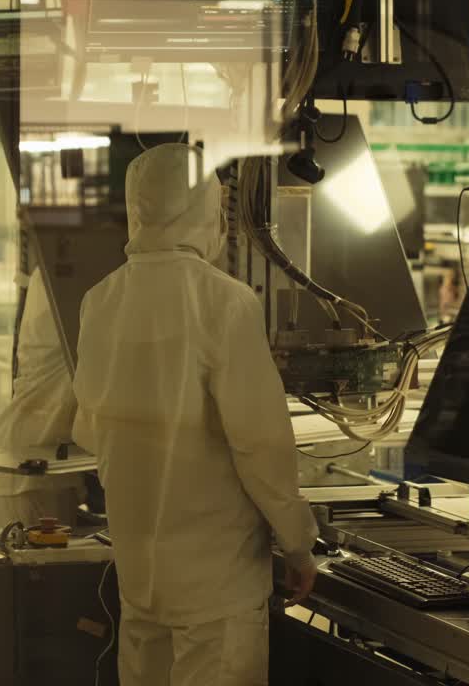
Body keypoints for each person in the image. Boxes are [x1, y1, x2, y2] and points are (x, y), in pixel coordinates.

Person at [72, 143, 319, 686]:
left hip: (141, 576)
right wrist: (297, 541)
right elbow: (260, 445)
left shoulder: (100, 300)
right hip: (217, 581)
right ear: (204, 209)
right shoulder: (225, 302)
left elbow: (90, 428)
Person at [0, 267, 86, 527]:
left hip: (42, 457)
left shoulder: (50, 277)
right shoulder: (59, 281)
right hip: (32, 464)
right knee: (35, 562)